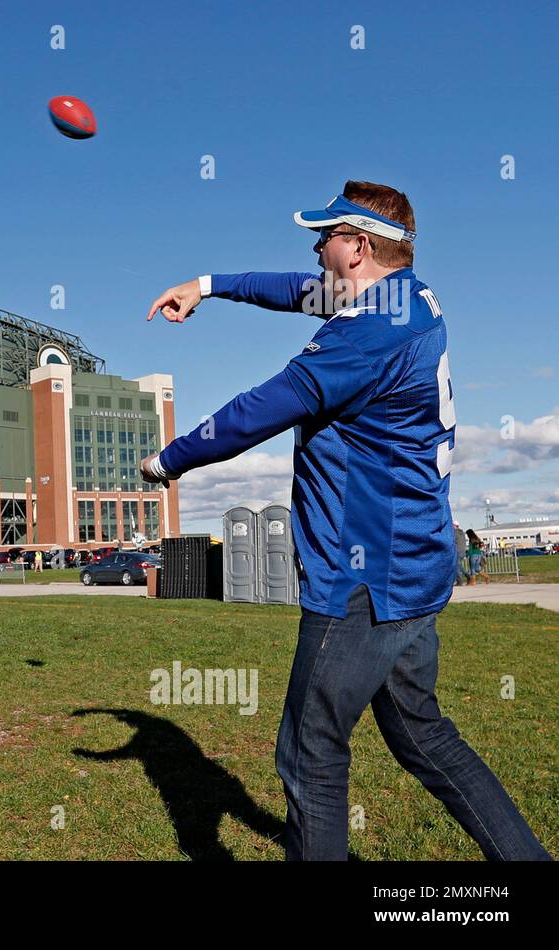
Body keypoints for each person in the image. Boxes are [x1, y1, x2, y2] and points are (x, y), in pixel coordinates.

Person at [143, 181, 549, 861]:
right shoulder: (404, 297)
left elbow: (261, 407)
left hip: (364, 580)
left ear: (358, 247)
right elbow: (294, 288)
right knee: (424, 736)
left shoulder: (368, 332)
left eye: (325, 236)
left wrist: (169, 461)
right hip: (412, 570)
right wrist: (207, 284)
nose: (314, 248)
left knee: (310, 758)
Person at [453, 522, 469, 586]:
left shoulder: (454, 532)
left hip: (457, 551)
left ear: (454, 525)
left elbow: (452, 541)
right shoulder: (462, 532)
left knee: (456, 567)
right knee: (459, 566)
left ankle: (460, 581)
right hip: (463, 551)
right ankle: (468, 576)